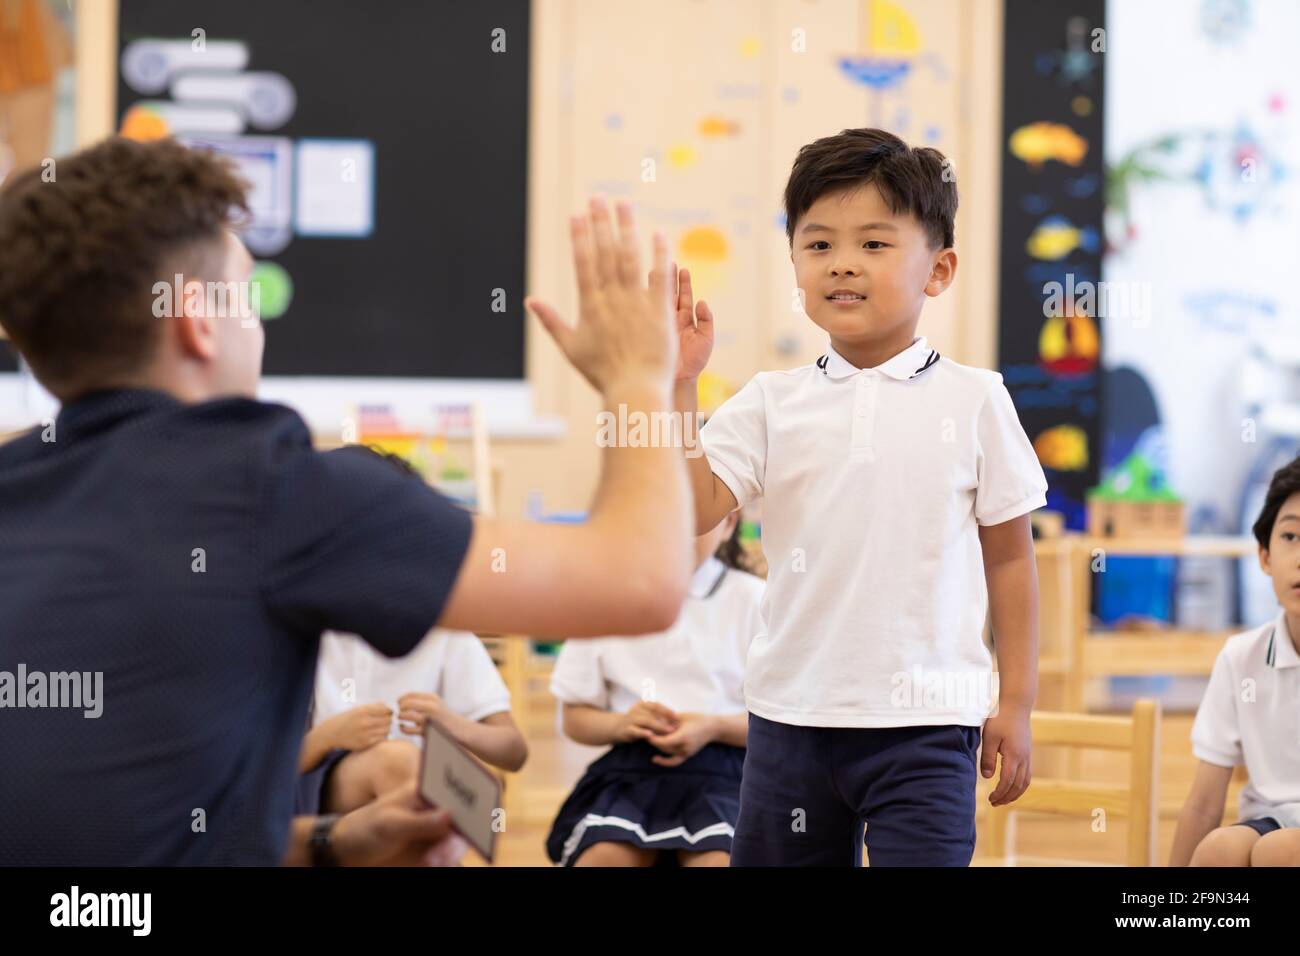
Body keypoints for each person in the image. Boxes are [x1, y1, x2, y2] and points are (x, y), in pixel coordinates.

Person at [0, 135, 691, 865]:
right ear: (198, 319)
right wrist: (638, 379)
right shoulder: (280, 488)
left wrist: (330, 840)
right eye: (249, 297)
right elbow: (641, 580)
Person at [671, 128, 1046, 866]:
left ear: (938, 271)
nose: (842, 263)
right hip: (789, 718)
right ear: (796, 267)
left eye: (874, 244)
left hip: (931, 724)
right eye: (818, 246)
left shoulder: (977, 400)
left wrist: (1017, 702)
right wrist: (679, 385)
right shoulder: (769, 401)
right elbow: (696, 509)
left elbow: (1009, 561)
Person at [546, 511, 762, 866]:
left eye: (696, 519)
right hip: (631, 771)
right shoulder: (604, 599)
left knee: (717, 859)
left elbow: (780, 725)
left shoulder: (755, 600)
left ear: (728, 524)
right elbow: (574, 718)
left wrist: (715, 727)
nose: (675, 529)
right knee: (604, 857)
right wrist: (621, 725)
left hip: (728, 774)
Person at [1170, 457, 1300, 867]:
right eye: (1291, 536)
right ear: (1264, 557)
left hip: (1279, 844)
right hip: (1272, 819)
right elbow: (1204, 804)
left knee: (1276, 853)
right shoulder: (1240, 657)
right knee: (1217, 850)